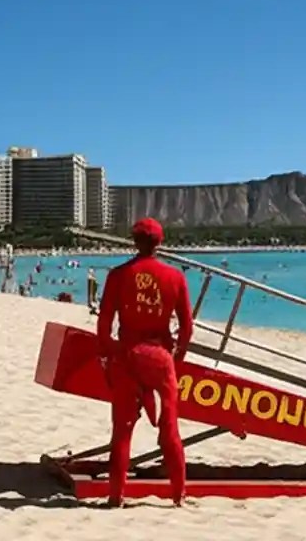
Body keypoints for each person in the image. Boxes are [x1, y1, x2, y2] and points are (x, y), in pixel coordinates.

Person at [97, 217, 193, 507]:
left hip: (127, 356)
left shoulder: (118, 275)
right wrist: (177, 359)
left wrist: (108, 354)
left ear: (134, 241)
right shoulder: (175, 277)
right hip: (160, 358)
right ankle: (178, 495)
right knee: (170, 429)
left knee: (123, 430)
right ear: (160, 243)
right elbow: (187, 327)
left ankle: (116, 496)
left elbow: (104, 324)